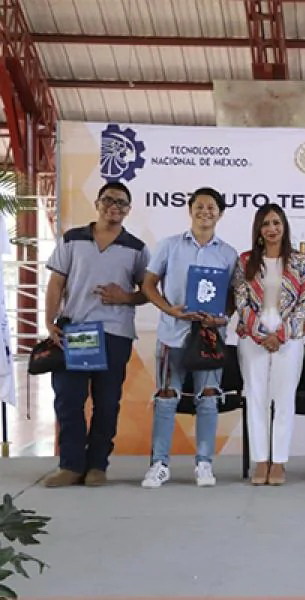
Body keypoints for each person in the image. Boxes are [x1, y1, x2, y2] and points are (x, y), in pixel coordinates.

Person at [43, 182, 150, 487]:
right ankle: (71, 465)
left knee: (106, 402)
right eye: (108, 200)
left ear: (128, 210)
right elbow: (56, 284)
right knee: (68, 399)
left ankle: (97, 466)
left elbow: (148, 292)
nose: (114, 206)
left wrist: (125, 297)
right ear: (97, 203)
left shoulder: (137, 248)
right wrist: (49, 321)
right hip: (74, 330)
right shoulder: (72, 238)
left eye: (121, 202)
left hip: (115, 334)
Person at [140, 187, 238, 488]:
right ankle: (159, 464)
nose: (205, 212)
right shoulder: (169, 246)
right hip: (173, 335)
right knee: (166, 398)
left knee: (208, 400)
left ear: (220, 213)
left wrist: (220, 318)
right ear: (190, 209)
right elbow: (148, 285)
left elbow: (234, 296)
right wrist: (170, 310)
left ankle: (205, 464)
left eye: (212, 207)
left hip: (209, 337)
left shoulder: (228, 253)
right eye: (200, 206)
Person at [233, 205, 305, 485]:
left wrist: (281, 334)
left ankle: (279, 461)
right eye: (266, 223)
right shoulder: (245, 262)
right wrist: (260, 333)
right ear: (258, 229)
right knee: (256, 398)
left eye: (276, 223)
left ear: (284, 226)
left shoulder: (300, 262)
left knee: (284, 399)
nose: (271, 228)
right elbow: (241, 302)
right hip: (253, 338)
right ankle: (261, 461)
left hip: (288, 339)